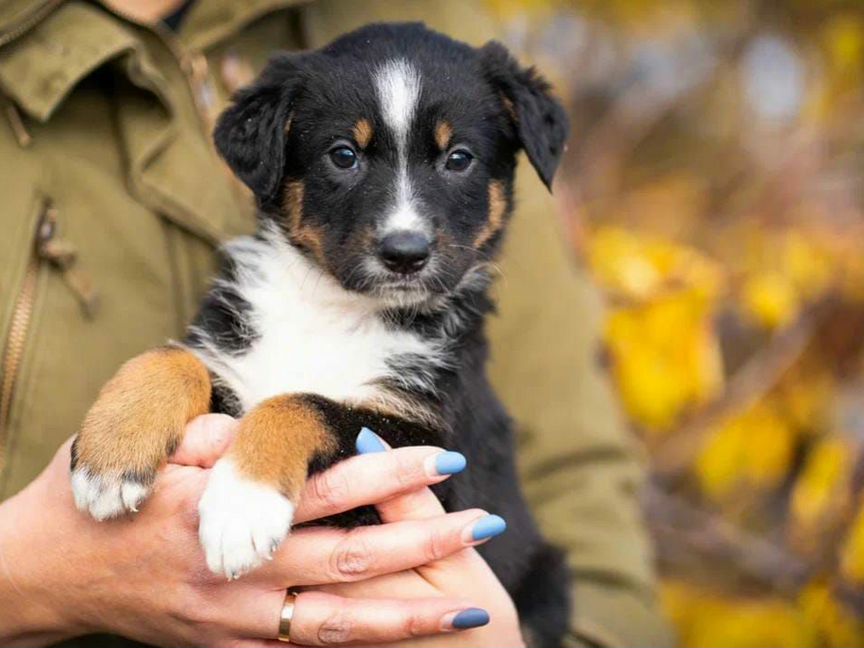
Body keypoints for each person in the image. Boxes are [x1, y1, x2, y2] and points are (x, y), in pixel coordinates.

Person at [0, 0, 674, 646]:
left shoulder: (443, 362)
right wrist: (36, 577)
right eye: (345, 158)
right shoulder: (242, 312)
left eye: (457, 159)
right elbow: (209, 388)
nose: (405, 228)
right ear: (275, 169)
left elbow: (576, 514)